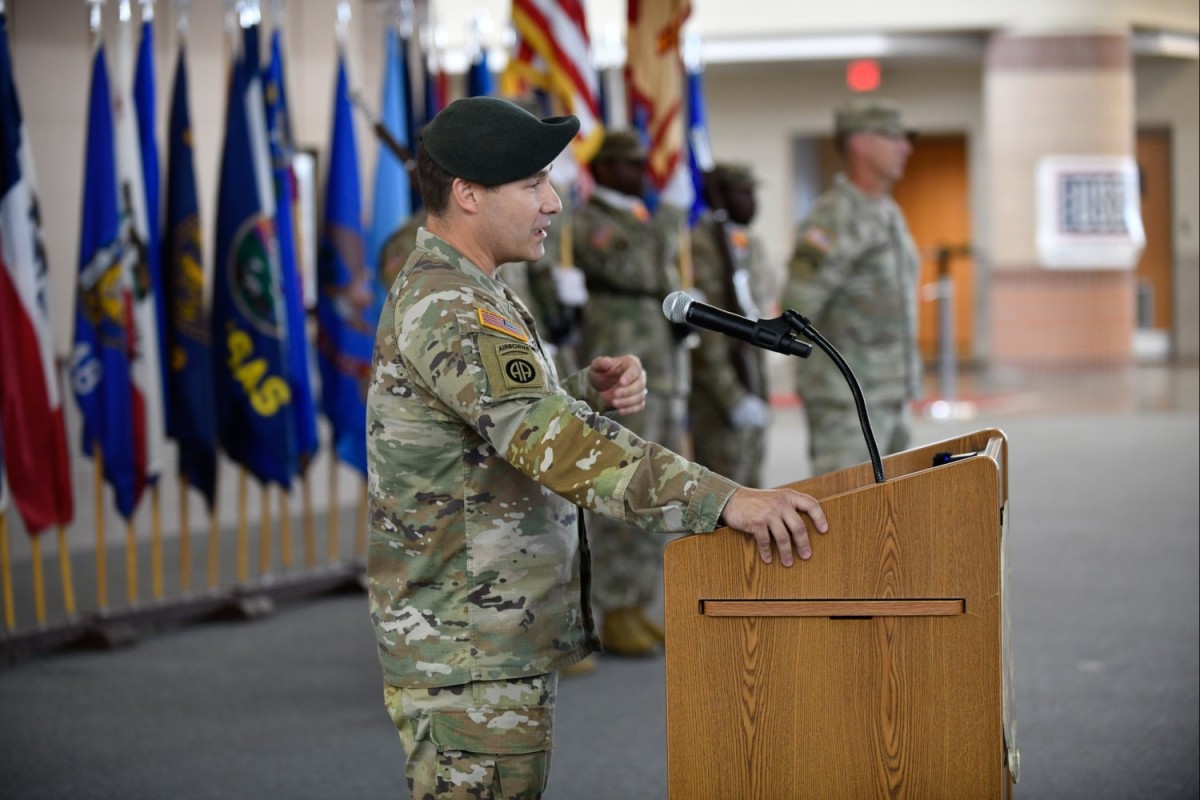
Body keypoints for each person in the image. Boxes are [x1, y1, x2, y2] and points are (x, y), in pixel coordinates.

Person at [366, 96, 829, 800]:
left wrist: (578, 389)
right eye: (532, 186)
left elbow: (493, 426)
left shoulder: (470, 288)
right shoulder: (453, 304)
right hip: (467, 645)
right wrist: (725, 499)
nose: (553, 204)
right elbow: (558, 446)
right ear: (466, 194)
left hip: (485, 635)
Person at [570, 129, 693, 658]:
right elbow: (636, 268)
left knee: (655, 485)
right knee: (623, 485)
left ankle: (639, 600)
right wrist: (669, 218)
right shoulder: (591, 221)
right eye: (630, 165)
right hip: (620, 374)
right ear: (603, 170)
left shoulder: (636, 221)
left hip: (658, 371)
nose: (643, 173)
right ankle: (613, 603)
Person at [783, 99, 923, 477]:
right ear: (860, 143)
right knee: (848, 516)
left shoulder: (887, 211)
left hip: (890, 395)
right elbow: (797, 308)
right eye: (894, 137)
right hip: (847, 403)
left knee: (889, 515)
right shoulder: (834, 218)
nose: (905, 148)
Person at [688, 163, 772, 488]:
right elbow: (707, 335)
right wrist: (732, 397)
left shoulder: (749, 245)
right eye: (743, 193)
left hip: (753, 383)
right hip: (719, 399)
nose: (753, 202)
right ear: (718, 197)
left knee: (755, 489)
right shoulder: (702, 246)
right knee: (723, 495)